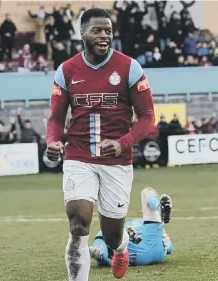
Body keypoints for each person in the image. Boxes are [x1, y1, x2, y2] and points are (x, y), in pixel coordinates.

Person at [46, 8, 155, 280]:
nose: (104, 35)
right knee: (78, 223)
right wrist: (52, 141)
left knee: (111, 235)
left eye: (108, 30)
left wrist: (123, 143)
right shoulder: (66, 70)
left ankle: (121, 248)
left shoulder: (130, 67)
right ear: (82, 33)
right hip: (78, 156)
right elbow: (56, 119)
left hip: (117, 162)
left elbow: (147, 117)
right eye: (97, 30)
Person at [89, 187, 173, 266]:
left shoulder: (104, 231)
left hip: (139, 255)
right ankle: (160, 209)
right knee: (146, 192)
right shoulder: (140, 222)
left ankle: (161, 211)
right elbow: (169, 248)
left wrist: (98, 256)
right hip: (158, 251)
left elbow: (101, 254)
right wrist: (168, 244)